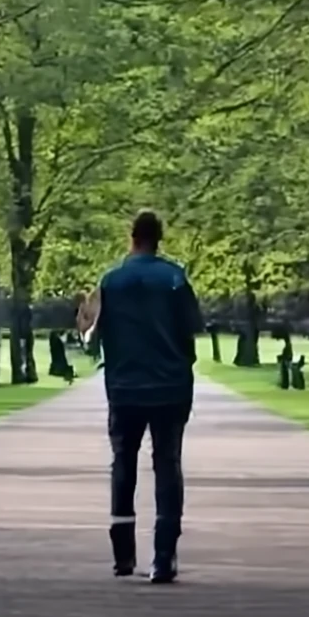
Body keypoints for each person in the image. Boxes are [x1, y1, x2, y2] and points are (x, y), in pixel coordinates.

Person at [77, 209, 204, 584]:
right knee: (167, 465)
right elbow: (191, 331)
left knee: (123, 465)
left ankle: (123, 555)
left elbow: (91, 337)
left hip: (125, 387)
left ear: (131, 238)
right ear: (158, 239)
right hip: (170, 386)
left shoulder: (111, 282)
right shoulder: (175, 279)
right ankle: (164, 556)